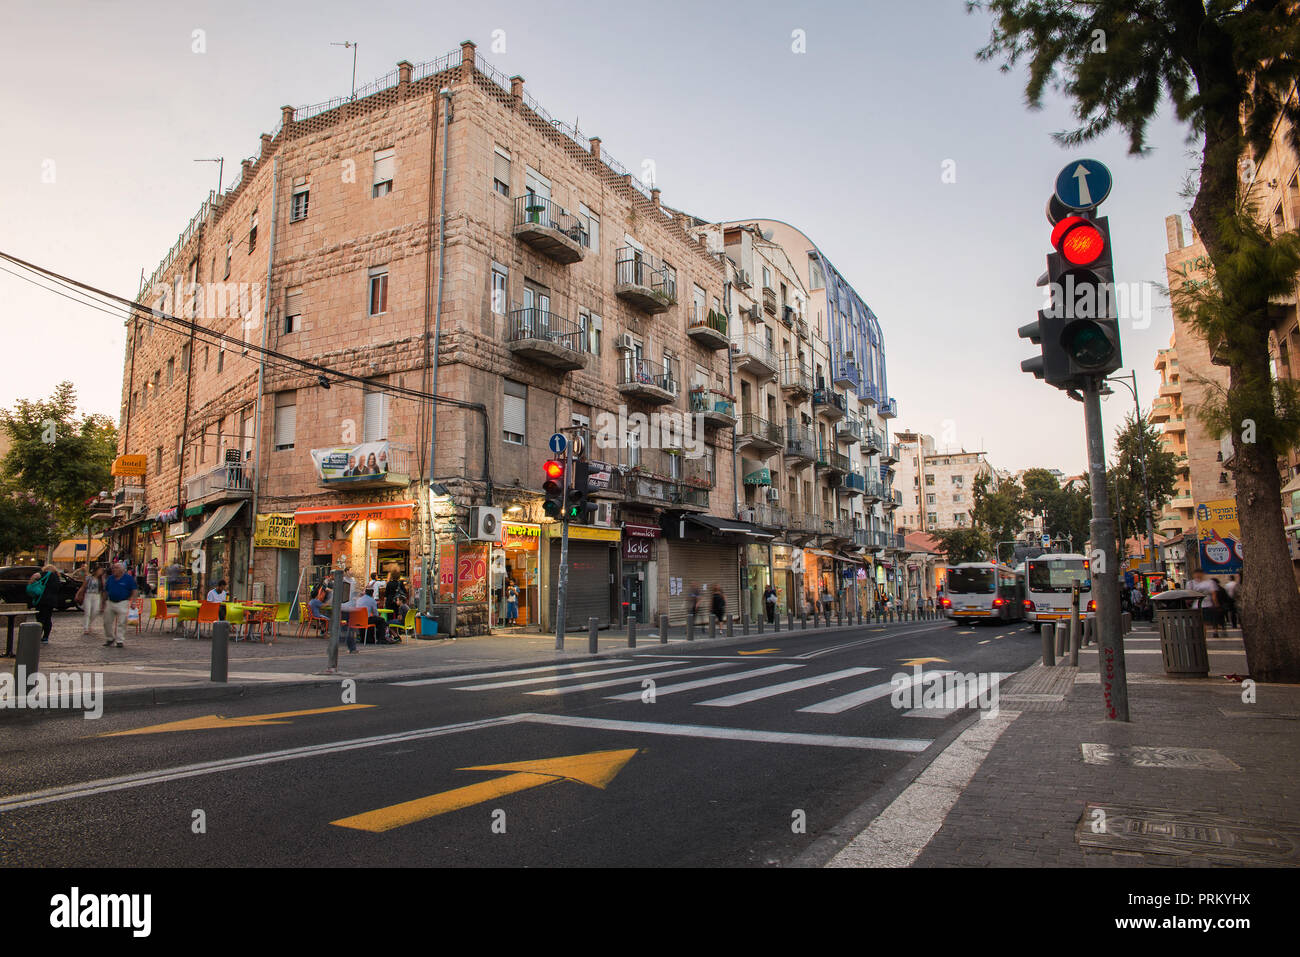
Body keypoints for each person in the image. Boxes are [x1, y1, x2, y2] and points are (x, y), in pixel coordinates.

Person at [102, 562, 139, 648]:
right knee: (106, 622)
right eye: (113, 568)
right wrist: (103, 603)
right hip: (110, 602)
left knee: (122, 622)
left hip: (123, 602)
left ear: (122, 570)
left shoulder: (128, 579)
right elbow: (106, 591)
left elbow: (134, 590)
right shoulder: (110, 578)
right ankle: (110, 638)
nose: (114, 570)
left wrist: (133, 601)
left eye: (116, 568)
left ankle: (120, 640)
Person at [27, 565, 61, 643]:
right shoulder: (57, 577)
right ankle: (45, 637)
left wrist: (31, 583)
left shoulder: (45, 574)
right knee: (48, 618)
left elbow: (34, 576)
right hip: (52, 601)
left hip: (43, 600)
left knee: (40, 618)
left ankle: (37, 635)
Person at [77, 565, 105, 636]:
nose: (100, 572)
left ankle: (89, 623)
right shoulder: (89, 578)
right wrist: (78, 594)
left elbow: (103, 589)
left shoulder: (101, 579)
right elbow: (83, 586)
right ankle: (86, 628)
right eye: (99, 570)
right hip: (88, 595)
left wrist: (103, 600)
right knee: (87, 612)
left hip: (97, 595)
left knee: (96, 611)